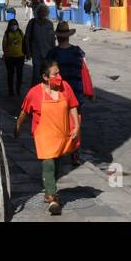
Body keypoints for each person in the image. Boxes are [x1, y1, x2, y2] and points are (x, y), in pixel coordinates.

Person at [15, 59, 81, 216]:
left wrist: (76, 126)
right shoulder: (34, 93)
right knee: (48, 163)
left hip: (61, 133)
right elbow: (24, 111)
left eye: (59, 72)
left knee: (56, 163)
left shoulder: (65, 88)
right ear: (45, 77)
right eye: (55, 74)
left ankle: (49, 191)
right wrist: (18, 126)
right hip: (43, 134)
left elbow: (72, 105)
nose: (59, 76)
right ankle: (52, 199)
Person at [45, 22, 91, 166]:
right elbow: (85, 71)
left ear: (58, 37)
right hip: (76, 94)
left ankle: (58, 150)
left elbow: (47, 74)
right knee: (76, 124)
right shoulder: (78, 51)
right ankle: (75, 154)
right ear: (68, 36)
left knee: (58, 124)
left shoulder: (52, 54)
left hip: (59, 94)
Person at [23, 4, 56, 87]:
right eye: (41, 11)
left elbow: (52, 39)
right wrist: (28, 52)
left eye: (45, 12)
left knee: (47, 75)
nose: (43, 13)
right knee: (36, 75)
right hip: (36, 53)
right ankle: (35, 93)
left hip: (48, 53)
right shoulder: (32, 23)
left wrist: (54, 52)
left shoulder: (49, 24)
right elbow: (27, 37)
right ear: (38, 12)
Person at [1, 17, 26, 97]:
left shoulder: (20, 32)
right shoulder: (7, 34)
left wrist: (26, 52)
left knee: (19, 74)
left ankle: (18, 89)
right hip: (10, 57)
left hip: (20, 57)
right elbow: (4, 45)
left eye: (15, 25)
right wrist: (5, 54)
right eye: (12, 25)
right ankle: (11, 91)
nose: (14, 26)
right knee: (10, 75)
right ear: (9, 26)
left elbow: (24, 42)